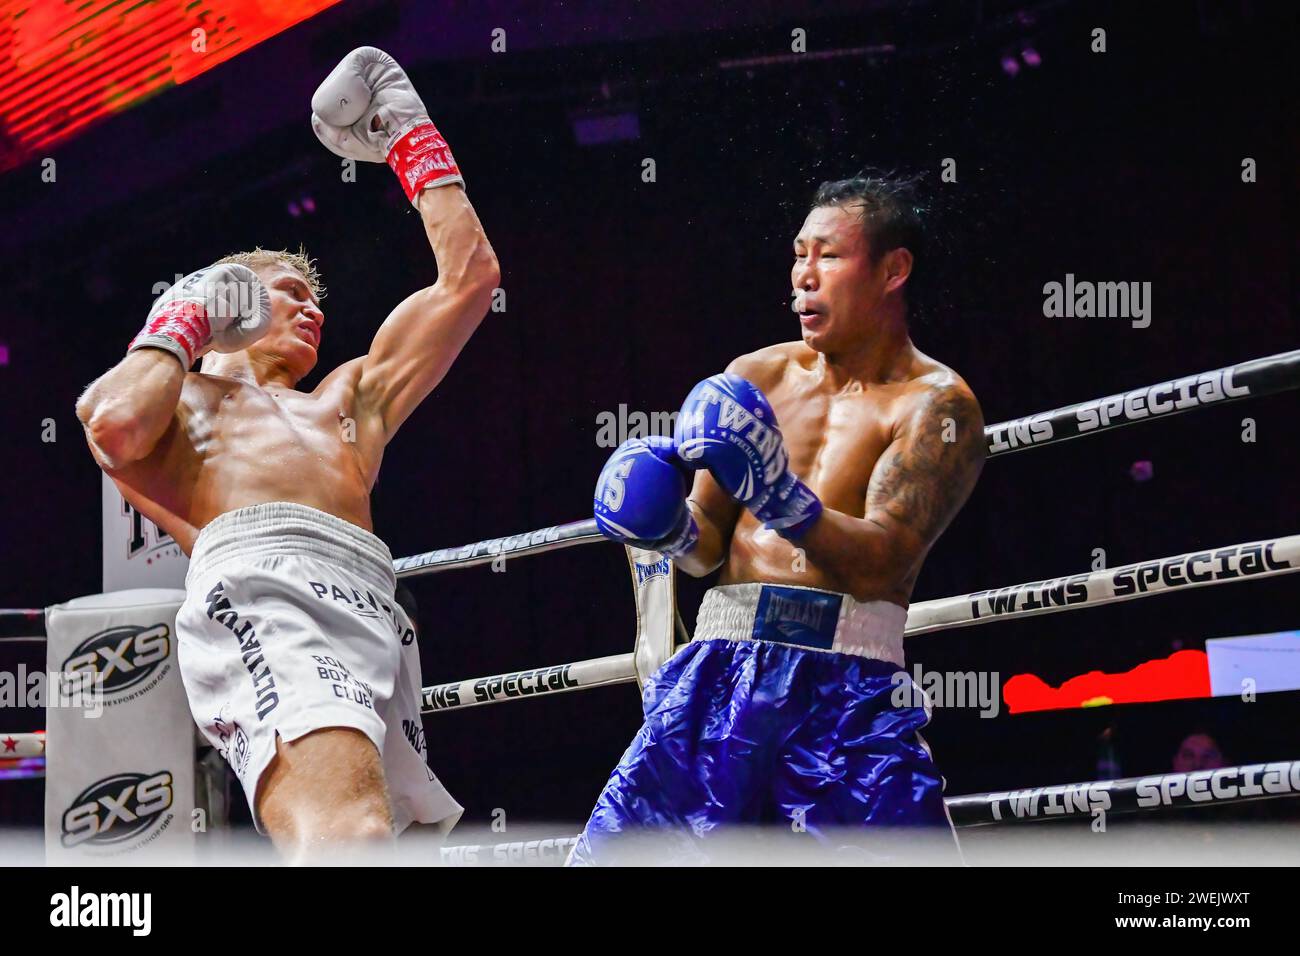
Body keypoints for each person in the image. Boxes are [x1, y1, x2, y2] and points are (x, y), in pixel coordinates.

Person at [75, 47, 499, 861]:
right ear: (232, 303)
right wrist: (185, 313)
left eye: (317, 301)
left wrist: (411, 136)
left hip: (373, 606)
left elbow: (470, 281)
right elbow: (114, 427)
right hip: (264, 588)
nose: (311, 309)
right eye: (288, 293)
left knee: (369, 844)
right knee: (349, 834)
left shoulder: (348, 400)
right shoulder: (185, 401)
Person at [576, 171, 985, 864]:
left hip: (845, 682)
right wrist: (666, 526)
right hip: (716, 673)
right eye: (799, 255)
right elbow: (705, 551)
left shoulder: (936, 407)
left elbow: (884, 558)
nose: (803, 276)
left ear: (893, 269)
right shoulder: (754, 377)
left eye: (828, 255)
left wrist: (778, 496)